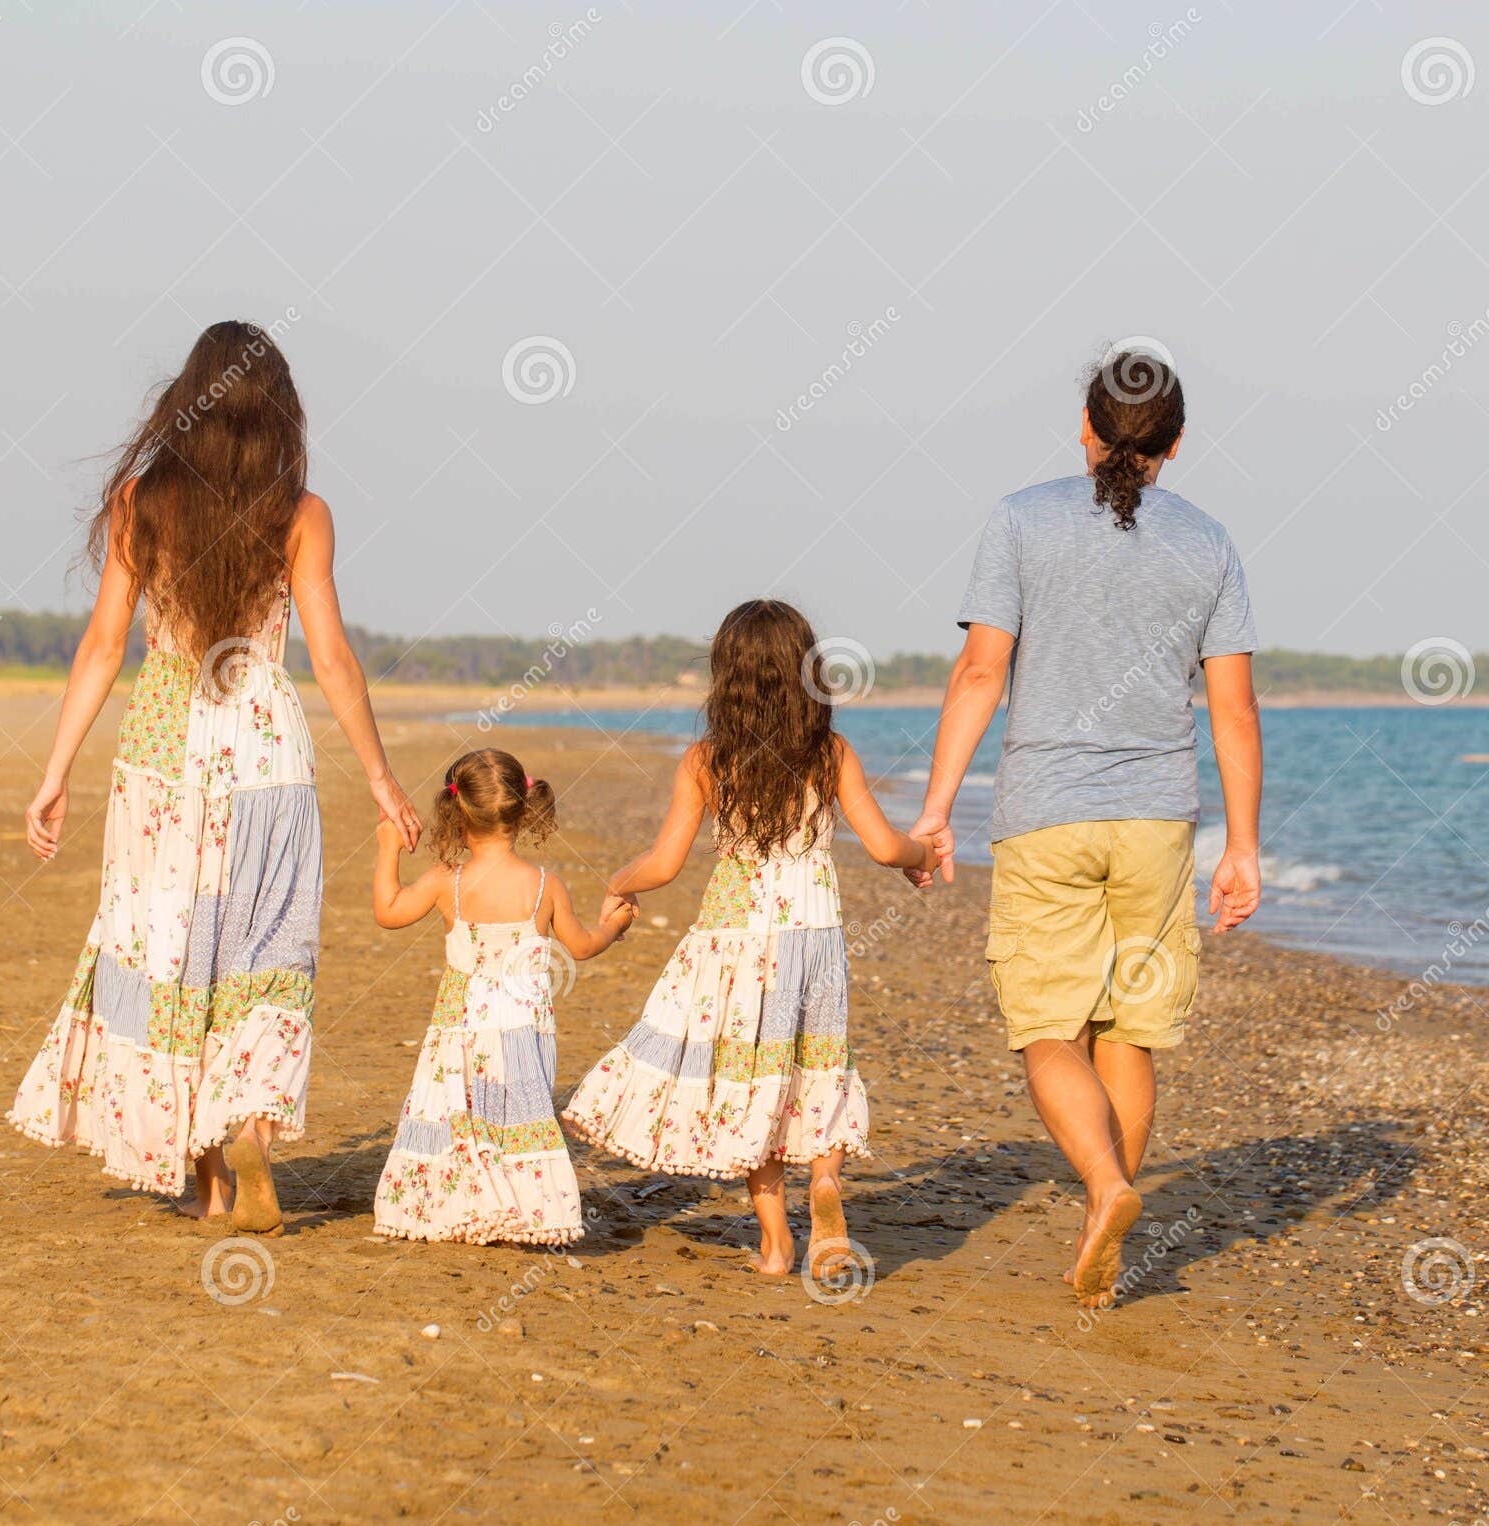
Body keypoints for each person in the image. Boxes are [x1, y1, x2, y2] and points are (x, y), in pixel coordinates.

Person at [10, 320, 420, 1235]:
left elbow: (102, 647)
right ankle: (250, 1133)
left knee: (167, 948)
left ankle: (206, 1186)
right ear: (280, 413)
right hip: (266, 746)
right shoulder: (301, 513)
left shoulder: (140, 501)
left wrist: (55, 771)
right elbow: (337, 659)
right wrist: (384, 782)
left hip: (163, 748)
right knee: (262, 949)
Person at [910, 349, 1262, 1307]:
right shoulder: (1210, 542)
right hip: (1157, 820)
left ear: (1086, 428)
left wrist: (937, 809)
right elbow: (1233, 710)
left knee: (1046, 1028)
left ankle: (1106, 1188)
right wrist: (1242, 845)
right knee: (1129, 1033)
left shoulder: (1022, 520)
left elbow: (981, 673)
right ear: (1176, 443)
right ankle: (1099, 1242)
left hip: (1045, 817)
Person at [563, 599, 938, 1280]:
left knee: (753, 1074)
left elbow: (666, 862)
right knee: (815, 1061)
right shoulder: (830, 753)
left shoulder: (708, 759)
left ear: (726, 677)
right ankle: (826, 1184)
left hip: (737, 940)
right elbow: (883, 845)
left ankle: (776, 1245)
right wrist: (923, 855)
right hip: (814, 934)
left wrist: (620, 880)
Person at [372, 748, 633, 1244]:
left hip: (461, 1027)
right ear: (523, 810)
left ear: (454, 814)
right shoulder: (543, 885)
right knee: (518, 1114)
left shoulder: (445, 882)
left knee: (460, 1112)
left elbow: (387, 910)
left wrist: (388, 845)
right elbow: (581, 946)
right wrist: (614, 923)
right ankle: (524, 1209)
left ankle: (456, 1203)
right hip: (520, 1027)